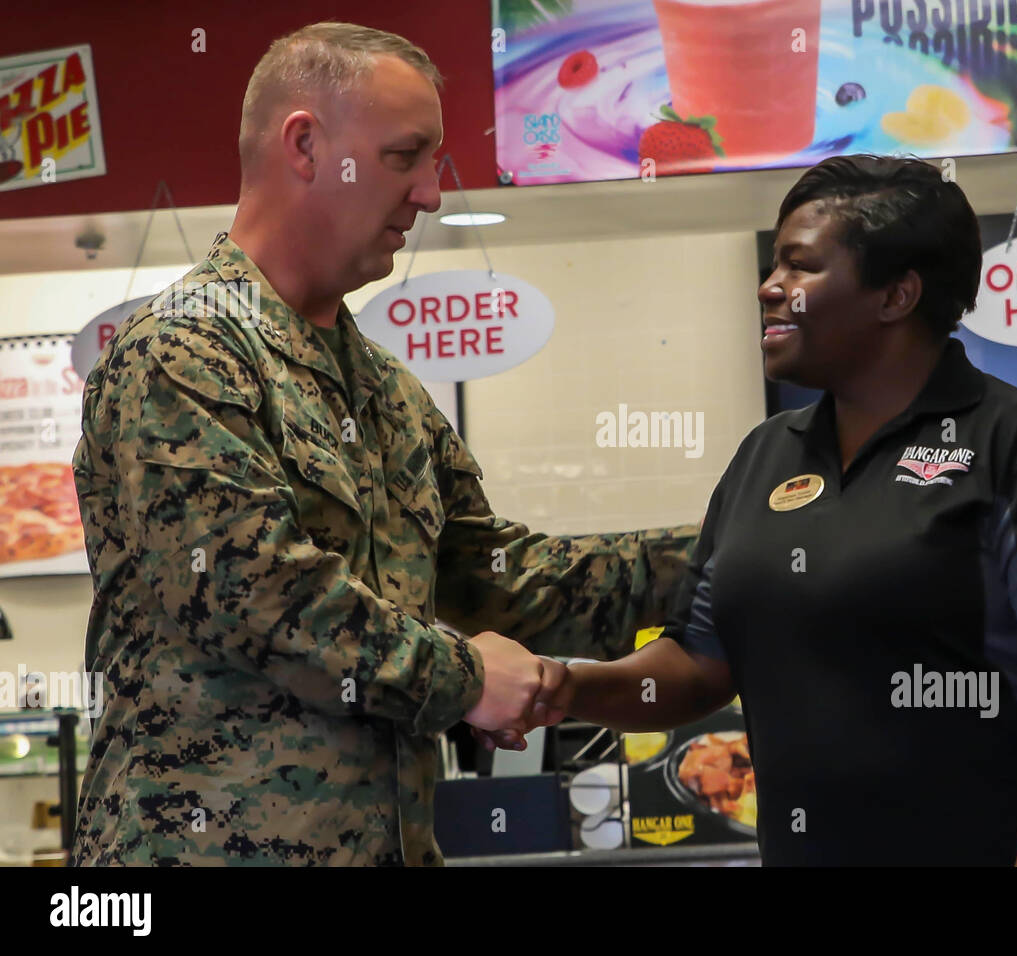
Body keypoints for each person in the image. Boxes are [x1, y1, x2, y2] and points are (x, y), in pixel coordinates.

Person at [70, 22, 695, 866]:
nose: (431, 195)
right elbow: (256, 597)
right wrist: (471, 682)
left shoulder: (385, 390)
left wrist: (728, 549)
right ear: (305, 144)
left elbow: (490, 573)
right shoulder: (183, 353)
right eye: (406, 157)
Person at [542, 154, 1017, 866]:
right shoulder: (766, 456)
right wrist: (563, 685)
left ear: (897, 295)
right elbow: (697, 666)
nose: (769, 288)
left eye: (801, 266)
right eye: (773, 265)